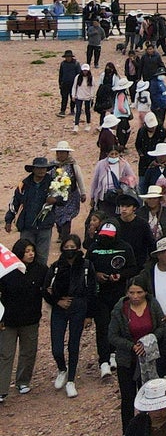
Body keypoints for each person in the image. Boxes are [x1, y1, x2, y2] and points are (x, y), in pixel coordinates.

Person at [111, 275, 166, 436]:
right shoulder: (120, 309)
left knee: (149, 396)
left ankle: (149, 432)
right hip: (127, 361)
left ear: (145, 292)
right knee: (128, 398)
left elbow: (161, 327)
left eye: (139, 292)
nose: (135, 296)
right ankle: (128, 435)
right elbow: (112, 335)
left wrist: (149, 341)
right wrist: (132, 346)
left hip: (149, 360)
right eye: (132, 293)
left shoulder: (153, 305)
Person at [43, 234, 96, 399]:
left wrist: (89, 315)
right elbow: (45, 289)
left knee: (74, 344)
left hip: (79, 307)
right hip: (59, 308)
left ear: (78, 247)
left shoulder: (87, 266)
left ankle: (71, 380)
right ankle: (62, 369)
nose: (69, 250)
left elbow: (92, 291)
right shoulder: (56, 266)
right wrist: (57, 301)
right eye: (66, 247)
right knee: (56, 347)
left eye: (73, 247)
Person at [0, 239, 48, 400]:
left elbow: (48, 290)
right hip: (8, 321)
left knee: (28, 352)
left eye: (32, 250)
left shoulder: (41, 270)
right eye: (27, 251)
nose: (30, 254)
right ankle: (2, 389)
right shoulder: (7, 271)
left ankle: (23, 382)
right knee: (6, 354)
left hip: (31, 320)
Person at [5, 156, 57, 265]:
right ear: (33, 169)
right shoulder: (24, 185)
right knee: (24, 256)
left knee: (42, 258)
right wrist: (8, 220)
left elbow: (64, 199)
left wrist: (55, 200)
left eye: (44, 168)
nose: (42, 170)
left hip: (45, 226)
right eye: (38, 168)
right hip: (27, 226)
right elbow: (15, 203)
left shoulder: (54, 184)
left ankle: (41, 280)